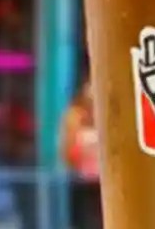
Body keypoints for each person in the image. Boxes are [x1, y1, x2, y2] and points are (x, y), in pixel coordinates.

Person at [61, 80, 101, 229]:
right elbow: (68, 151)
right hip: (83, 180)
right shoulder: (75, 117)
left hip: (101, 182)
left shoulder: (105, 118)